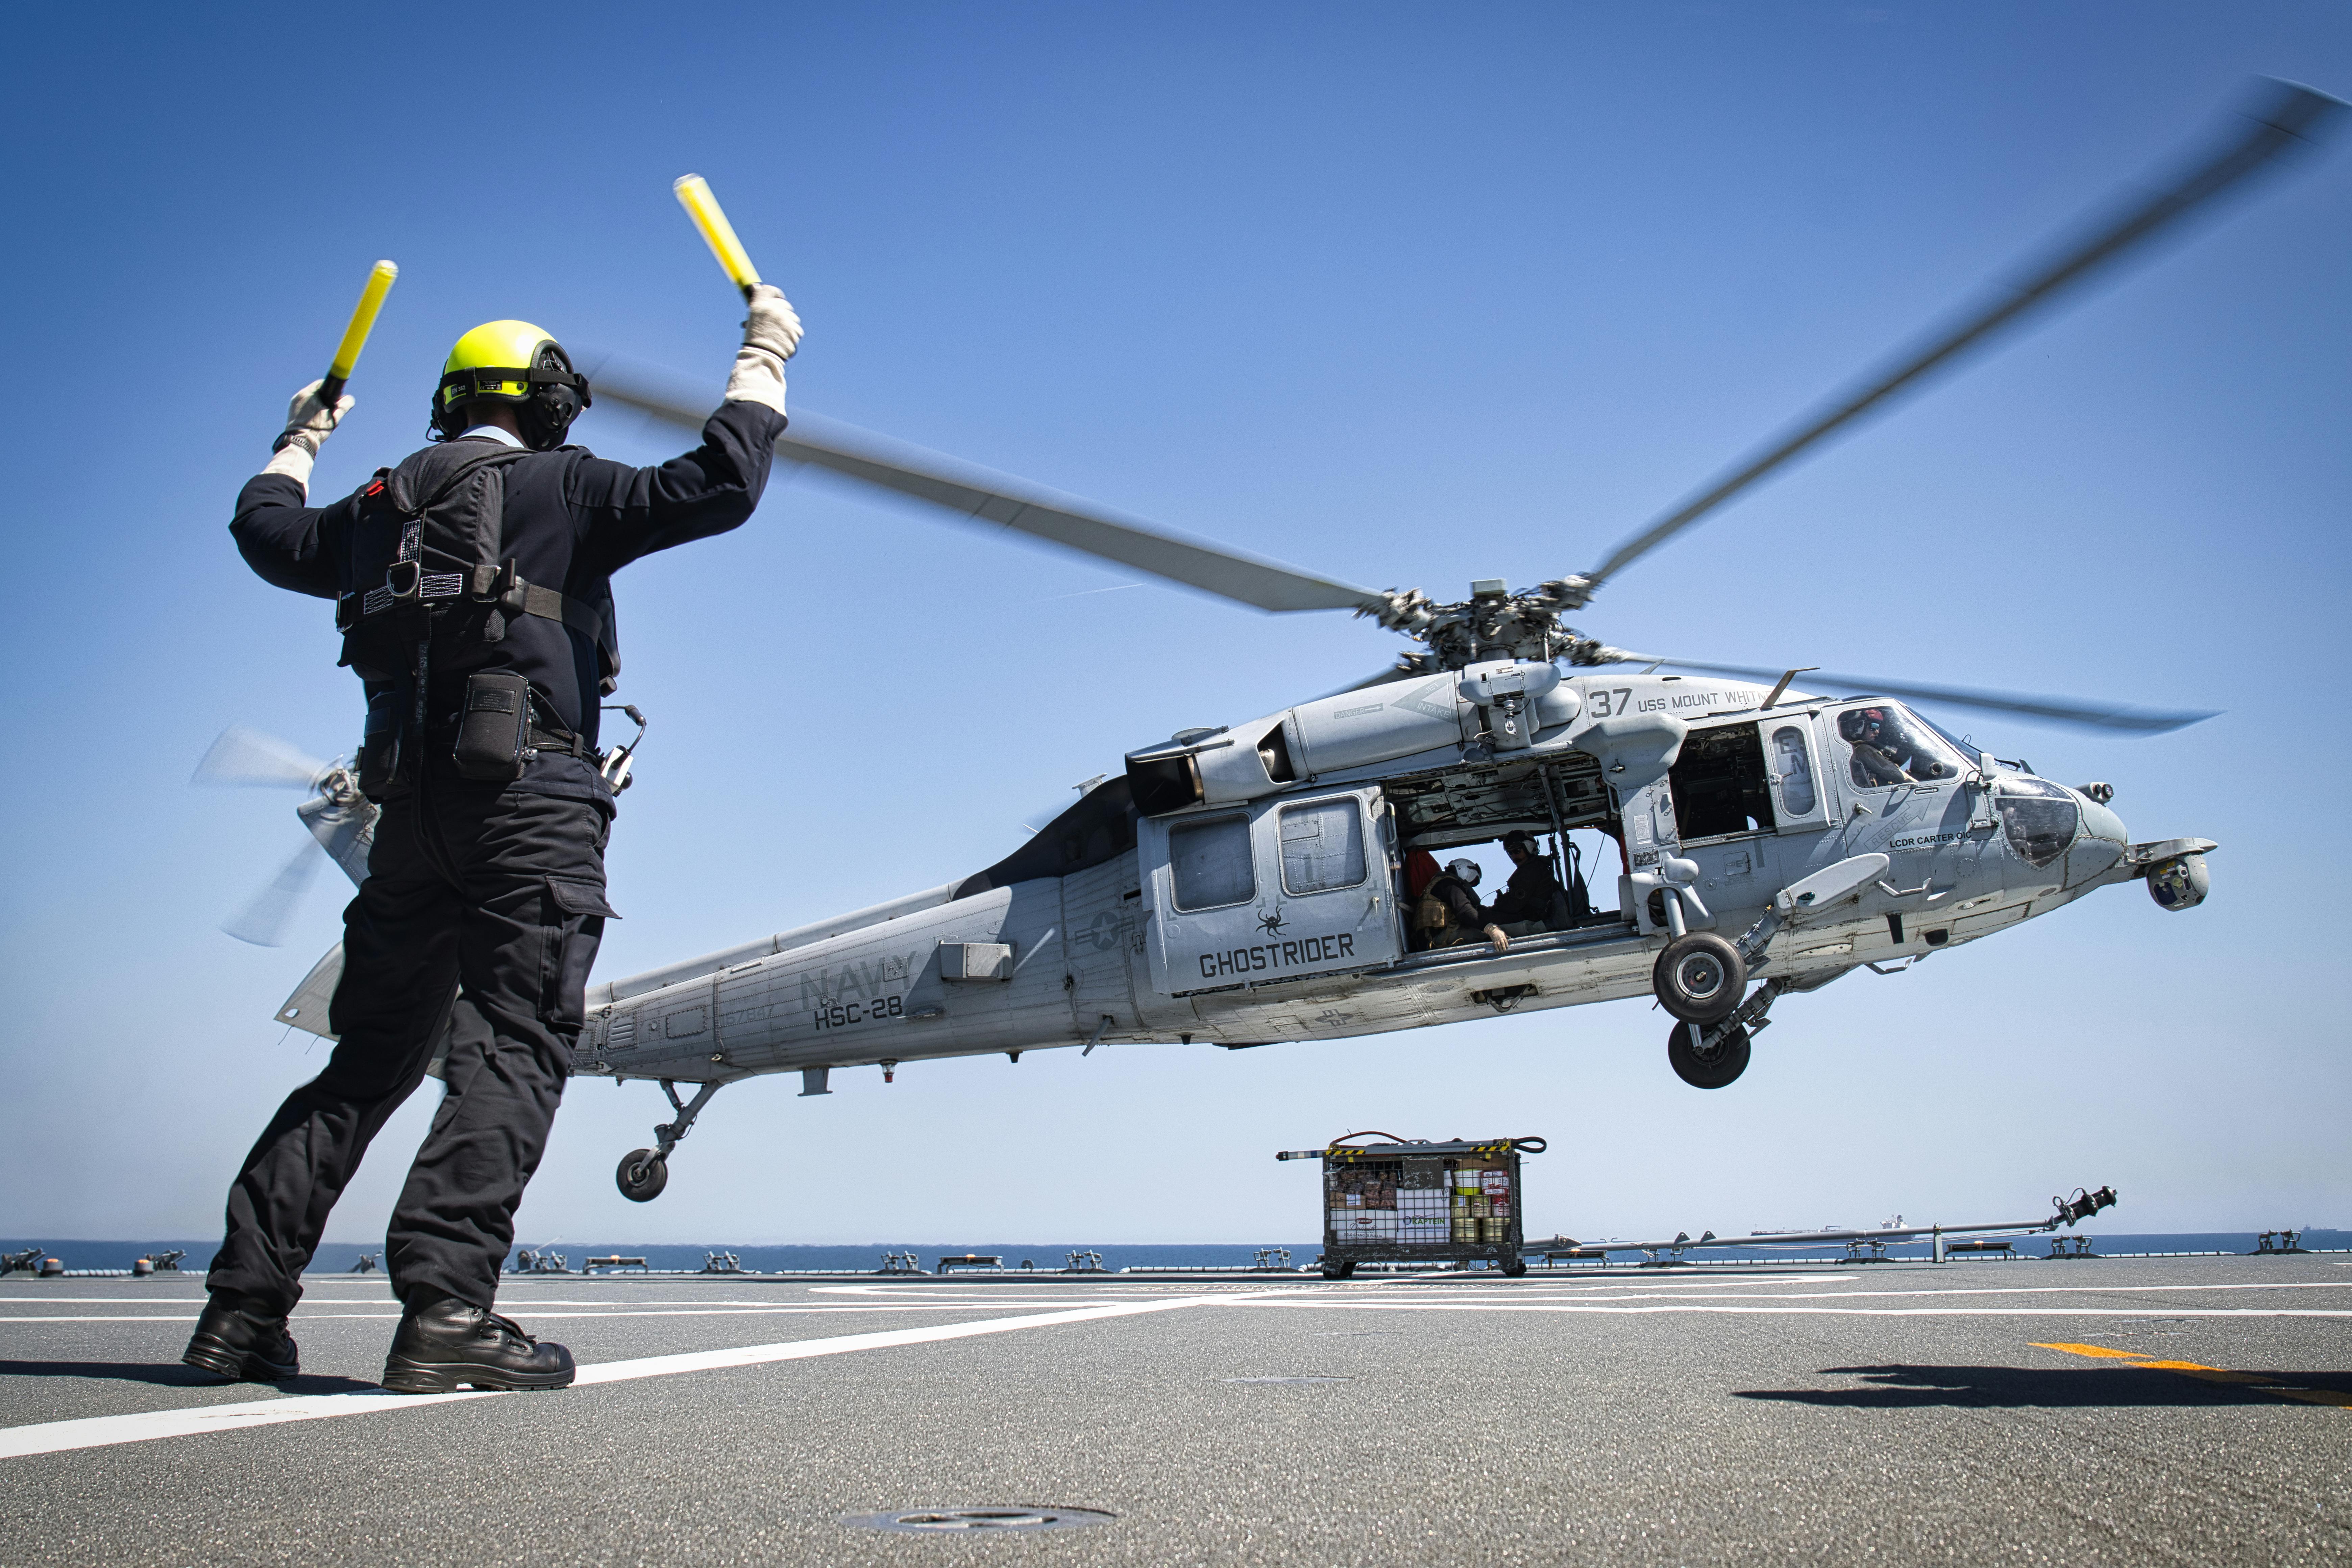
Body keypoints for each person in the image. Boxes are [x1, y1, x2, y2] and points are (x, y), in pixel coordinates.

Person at [183, 286, 802, 1395]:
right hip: (533, 810)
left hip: (405, 820)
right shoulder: (567, 486)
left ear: (449, 403)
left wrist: (301, 434)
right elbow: (723, 481)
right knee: (512, 1046)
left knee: (363, 1064)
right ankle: (447, 1311)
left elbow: (264, 529)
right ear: (555, 404)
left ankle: (239, 1314)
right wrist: (764, 355)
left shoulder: (375, 507)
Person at [1413, 858, 1509, 954]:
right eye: (1472, 881)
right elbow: (1465, 912)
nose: (1470, 885)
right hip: (1438, 938)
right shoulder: (1449, 884)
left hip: (1433, 938)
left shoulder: (1443, 883)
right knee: (1497, 934)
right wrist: (1491, 929)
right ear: (1464, 869)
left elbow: (1473, 910)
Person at [1486, 830, 1563, 931]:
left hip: (1533, 919)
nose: (1514, 856)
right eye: (1510, 853)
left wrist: (1491, 910)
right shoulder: (1538, 867)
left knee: (1481, 918)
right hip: (1535, 916)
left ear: (1529, 848)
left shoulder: (1530, 871)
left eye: (1517, 851)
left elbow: (1514, 905)